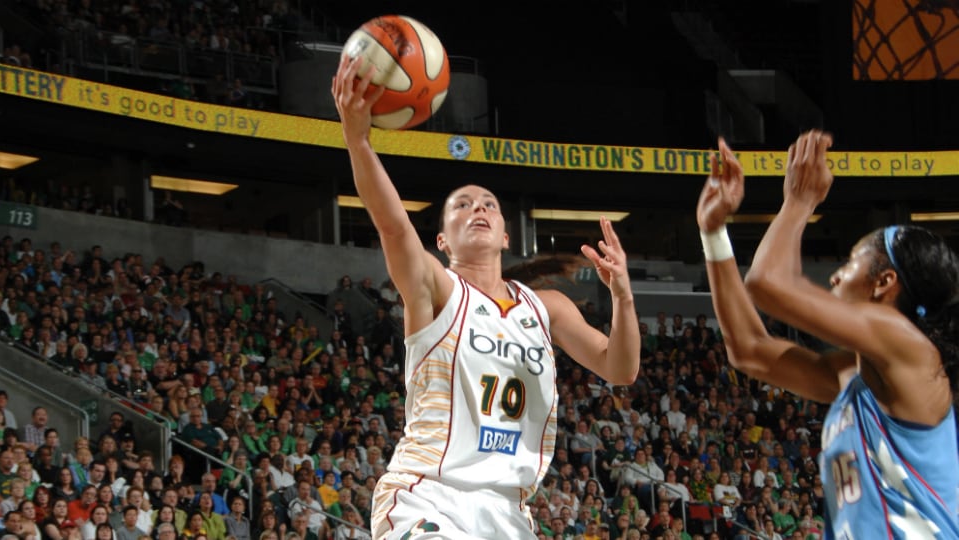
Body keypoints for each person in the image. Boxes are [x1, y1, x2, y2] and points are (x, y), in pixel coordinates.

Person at [331, 55, 641, 540]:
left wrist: (623, 298)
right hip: (427, 494)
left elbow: (621, 368)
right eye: (462, 205)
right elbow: (393, 225)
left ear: (504, 237)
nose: (478, 208)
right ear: (442, 242)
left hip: (508, 513)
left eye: (489, 205)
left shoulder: (547, 308)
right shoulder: (436, 290)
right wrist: (358, 140)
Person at [696, 131, 959, 538]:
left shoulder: (909, 345)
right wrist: (713, 233)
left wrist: (800, 201)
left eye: (852, 262)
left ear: (884, 282)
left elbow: (768, 283)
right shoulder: (854, 375)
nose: (836, 274)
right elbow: (751, 350)